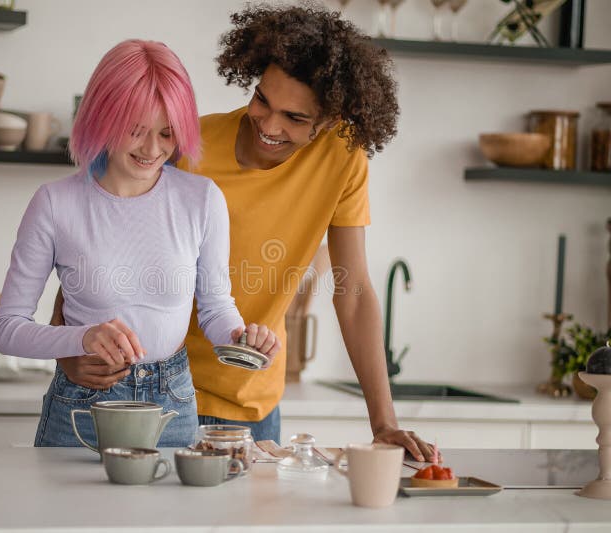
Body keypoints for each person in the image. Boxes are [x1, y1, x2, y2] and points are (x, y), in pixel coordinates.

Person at [51, 5, 437, 461]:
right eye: (262, 100)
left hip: (250, 403)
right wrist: (66, 350)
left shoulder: (344, 160)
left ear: (332, 119)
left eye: (295, 118)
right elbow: (93, 253)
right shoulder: (187, 148)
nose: (270, 126)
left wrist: (383, 423)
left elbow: (352, 292)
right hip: (154, 391)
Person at [0, 39, 280, 448]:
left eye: (167, 133)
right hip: (82, 407)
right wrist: (80, 339)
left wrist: (242, 340)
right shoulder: (55, 203)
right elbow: (7, 328)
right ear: (102, 117)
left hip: (173, 404)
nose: (152, 150)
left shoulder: (201, 198)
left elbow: (216, 308)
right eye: (136, 131)